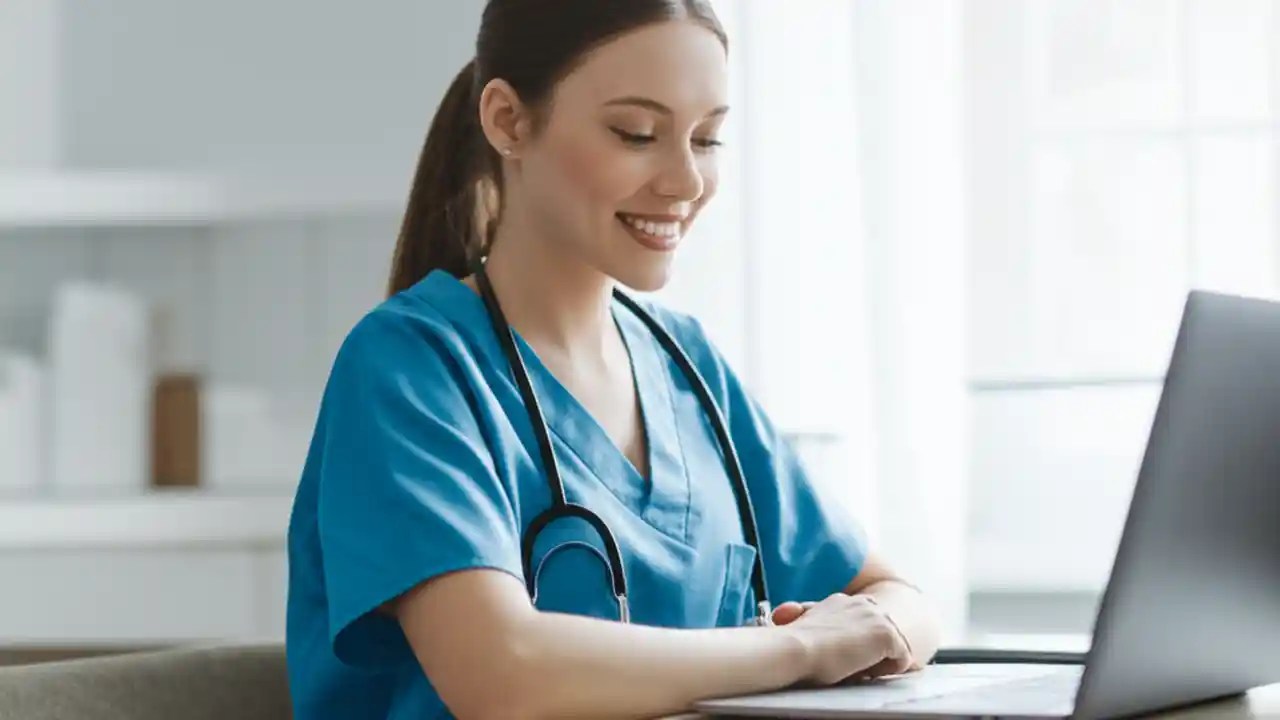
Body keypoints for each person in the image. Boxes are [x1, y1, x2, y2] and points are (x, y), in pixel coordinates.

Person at [285, 1, 941, 718]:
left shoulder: (687, 365)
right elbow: (502, 674)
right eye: (637, 133)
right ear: (507, 120)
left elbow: (892, 599)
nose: (686, 181)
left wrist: (885, 627)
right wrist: (801, 650)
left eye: (709, 138)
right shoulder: (411, 367)